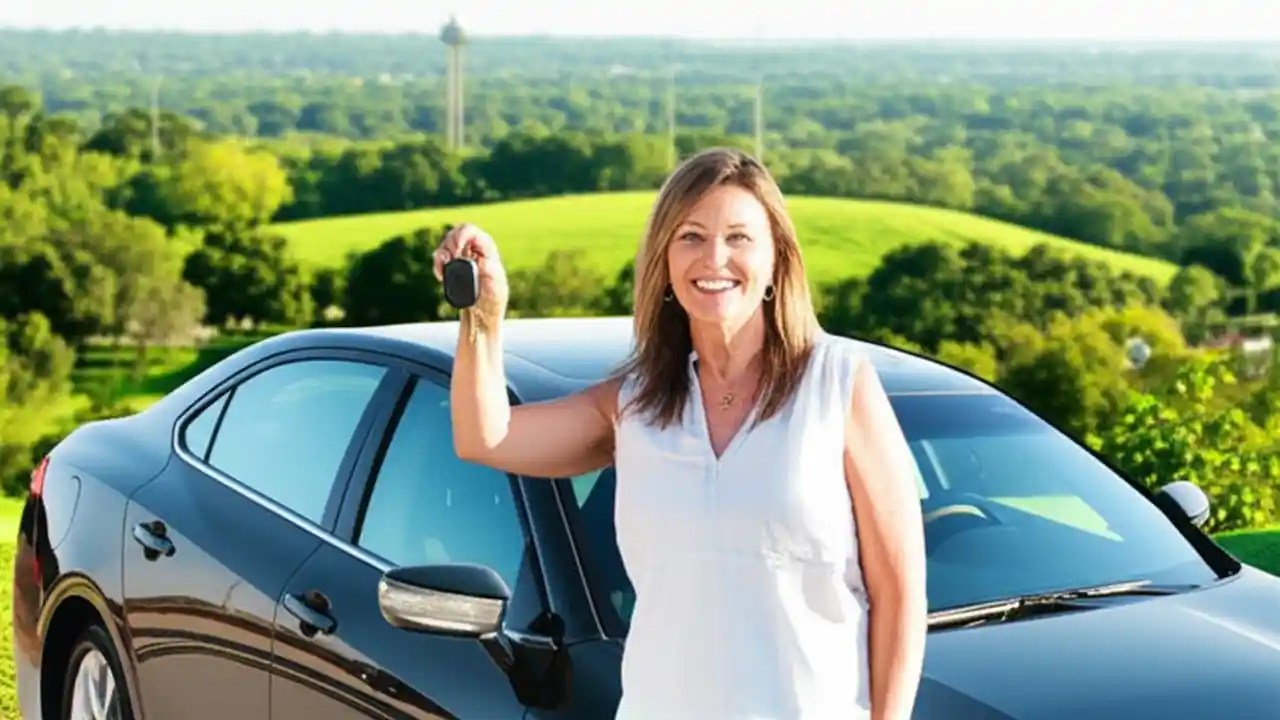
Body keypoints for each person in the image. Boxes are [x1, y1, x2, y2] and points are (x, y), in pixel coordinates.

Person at [433, 147, 928, 720]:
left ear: (777, 260)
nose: (714, 257)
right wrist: (484, 318)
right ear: (664, 260)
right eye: (691, 236)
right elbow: (485, 437)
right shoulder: (636, 402)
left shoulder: (839, 384)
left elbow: (899, 593)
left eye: (739, 237)